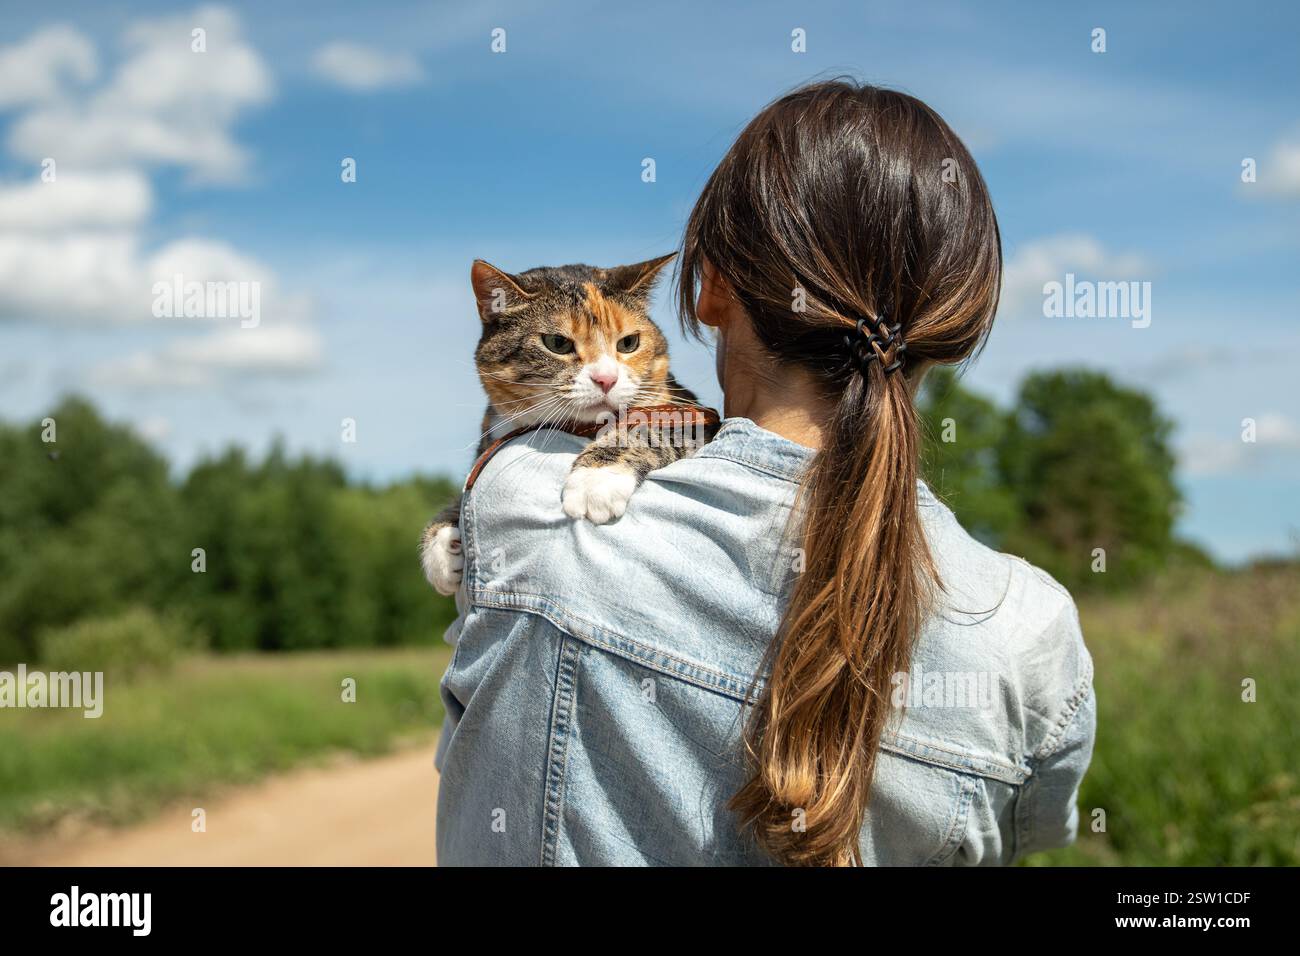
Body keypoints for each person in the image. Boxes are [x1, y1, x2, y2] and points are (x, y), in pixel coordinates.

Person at [434, 79, 1095, 866]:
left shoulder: (524, 506)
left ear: (711, 288)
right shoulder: (1034, 632)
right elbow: (1036, 837)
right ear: (955, 323)